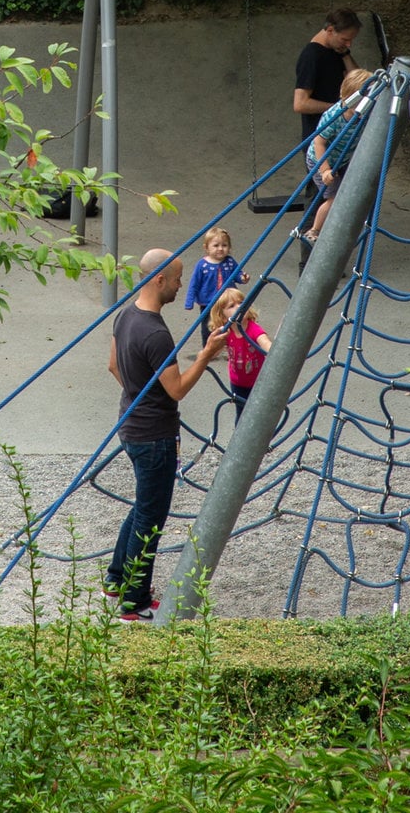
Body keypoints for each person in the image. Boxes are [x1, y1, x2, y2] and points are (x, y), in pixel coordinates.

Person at [105, 248, 225, 621]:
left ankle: (116, 578)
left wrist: (140, 396)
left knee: (143, 505)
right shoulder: (156, 333)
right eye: (176, 278)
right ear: (159, 280)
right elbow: (176, 390)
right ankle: (135, 600)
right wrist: (204, 355)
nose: (180, 285)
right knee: (151, 517)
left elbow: (112, 365)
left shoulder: (126, 316)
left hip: (131, 423)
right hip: (154, 435)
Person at [303, 68, 373, 240]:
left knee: (353, 194)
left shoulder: (364, 114)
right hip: (320, 160)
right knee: (334, 199)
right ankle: (314, 230)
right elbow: (319, 142)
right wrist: (325, 170)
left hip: (343, 159)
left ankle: (348, 228)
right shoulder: (334, 116)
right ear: (348, 98)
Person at [200, 286, 273, 411]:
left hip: (258, 382)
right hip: (237, 383)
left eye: (241, 303)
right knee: (241, 415)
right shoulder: (227, 333)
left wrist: (272, 351)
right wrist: (206, 353)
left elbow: (265, 342)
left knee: (259, 413)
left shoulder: (254, 329)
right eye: (231, 306)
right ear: (223, 316)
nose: (238, 307)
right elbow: (213, 353)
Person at [293, 10, 361, 139]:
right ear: (330, 30)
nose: (349, 44)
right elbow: (300, 104)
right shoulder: (311, 56)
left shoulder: (336, 49)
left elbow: (359, 82)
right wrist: (338, 108)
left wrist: (345, 55)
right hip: (320, 137)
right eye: (345, 39)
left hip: (338, 135)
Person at [184, 227, 241, 315]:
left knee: (228, 324)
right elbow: (194, 284)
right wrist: (189, 301)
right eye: (216, 245)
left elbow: (237, 274)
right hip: (208, 303)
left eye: (224, 245)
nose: (220, 248)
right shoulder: (202, 265)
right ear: (206, 248)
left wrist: (243, 278)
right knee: (208, 326)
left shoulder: (230, 262)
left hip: (228, 302)